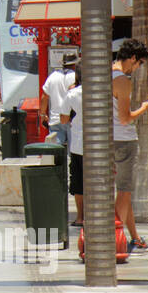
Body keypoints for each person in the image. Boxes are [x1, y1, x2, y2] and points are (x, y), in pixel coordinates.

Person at [112, 39, 148, 253]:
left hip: (107, 140)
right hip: (124, 139)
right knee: (125, 190)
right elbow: (124, 117)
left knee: (124, 191)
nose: (138, 68)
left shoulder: (103, 75)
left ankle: (134, 236)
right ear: (132, 59)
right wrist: (144, 107)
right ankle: (114, 234)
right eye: (139, 63)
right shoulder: (122, 80)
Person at [40, 53, 78, 148]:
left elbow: (44, 97)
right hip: (71, 120)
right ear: (75, 64)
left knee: (56, 153)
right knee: (73, 152)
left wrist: (42, 114)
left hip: (55, 120)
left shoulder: (53, 76)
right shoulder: (76, 77)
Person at [63, 81, 84, 225]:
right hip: (100, 144)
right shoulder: (105, 90)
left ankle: (80, 217)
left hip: (78, 145)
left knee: (78, 183)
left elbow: (63, 118)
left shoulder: (72, 94)